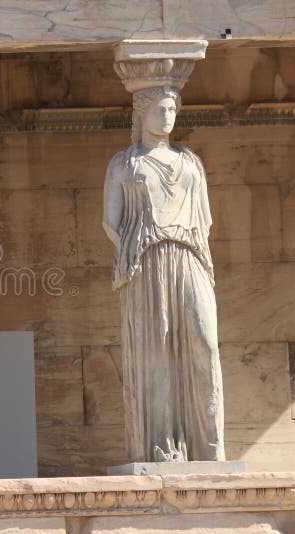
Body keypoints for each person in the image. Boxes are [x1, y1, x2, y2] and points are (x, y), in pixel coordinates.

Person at [102, 86, 225, 463]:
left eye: (172, 108)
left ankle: (210, 446)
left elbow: (204, 218)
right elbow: (110, 220)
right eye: (159, 109)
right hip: (146, 260)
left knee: (204, 341)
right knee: (156, 351)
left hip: (189, 256)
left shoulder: (190, 162)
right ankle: (162, 446)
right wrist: (131, 251)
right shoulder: (125, 163)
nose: (167, 116)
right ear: (141, 114)